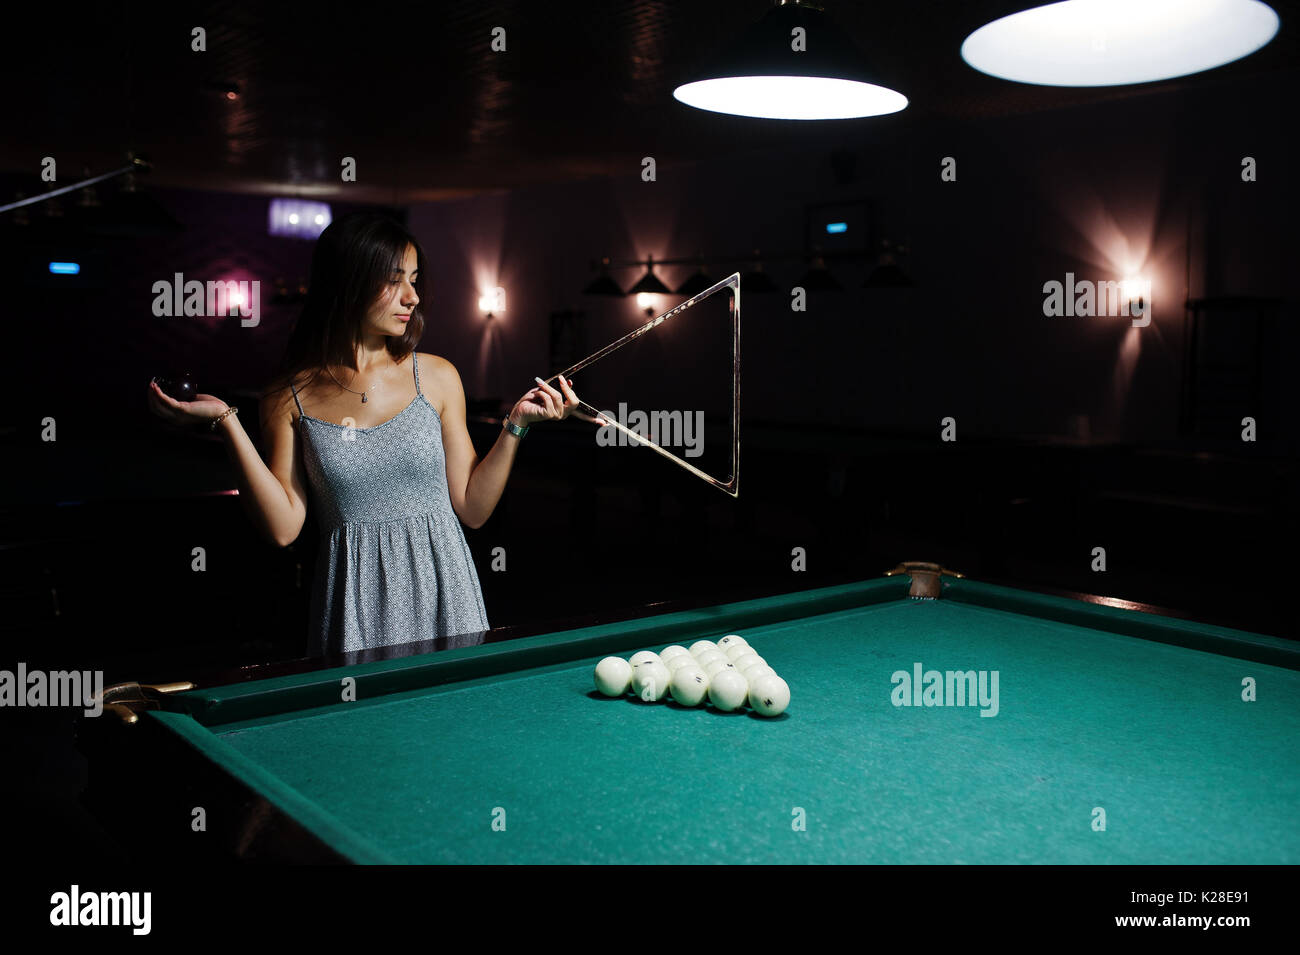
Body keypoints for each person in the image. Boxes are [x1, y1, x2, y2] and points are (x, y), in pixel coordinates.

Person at [148, 212, 597, 655]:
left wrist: (516, 424)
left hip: (448, 598)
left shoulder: (437, 377)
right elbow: (283, 529)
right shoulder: (289, 397)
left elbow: (473, 509)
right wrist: (227, 421)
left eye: (415, 280)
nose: (412, 297)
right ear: (347, 283)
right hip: (354, 610)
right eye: (394, 280)